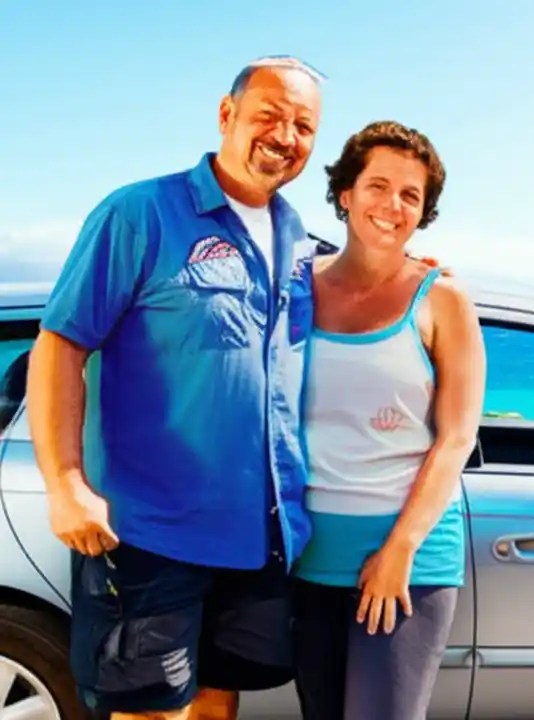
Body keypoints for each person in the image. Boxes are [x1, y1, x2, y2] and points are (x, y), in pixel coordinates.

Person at [27, 56, 325, 720]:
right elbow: (60, 345)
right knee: (146, 710)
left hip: (259, 534)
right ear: (227, 114)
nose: (284, 136)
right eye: (269, 115)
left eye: (303, 125)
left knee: (218, 702)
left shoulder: (297, 236)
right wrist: (67, 483)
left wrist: (411, 272)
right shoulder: (140, 213)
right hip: (149, 533)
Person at [288, 120, 485, 720]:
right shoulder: (293, 287)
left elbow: (456, 438)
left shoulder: (442, 298)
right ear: (344, 194)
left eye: (410, 195)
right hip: (308, 553)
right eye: (377, 185)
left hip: (409, 558)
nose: (392, 205)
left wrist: (398, 548)